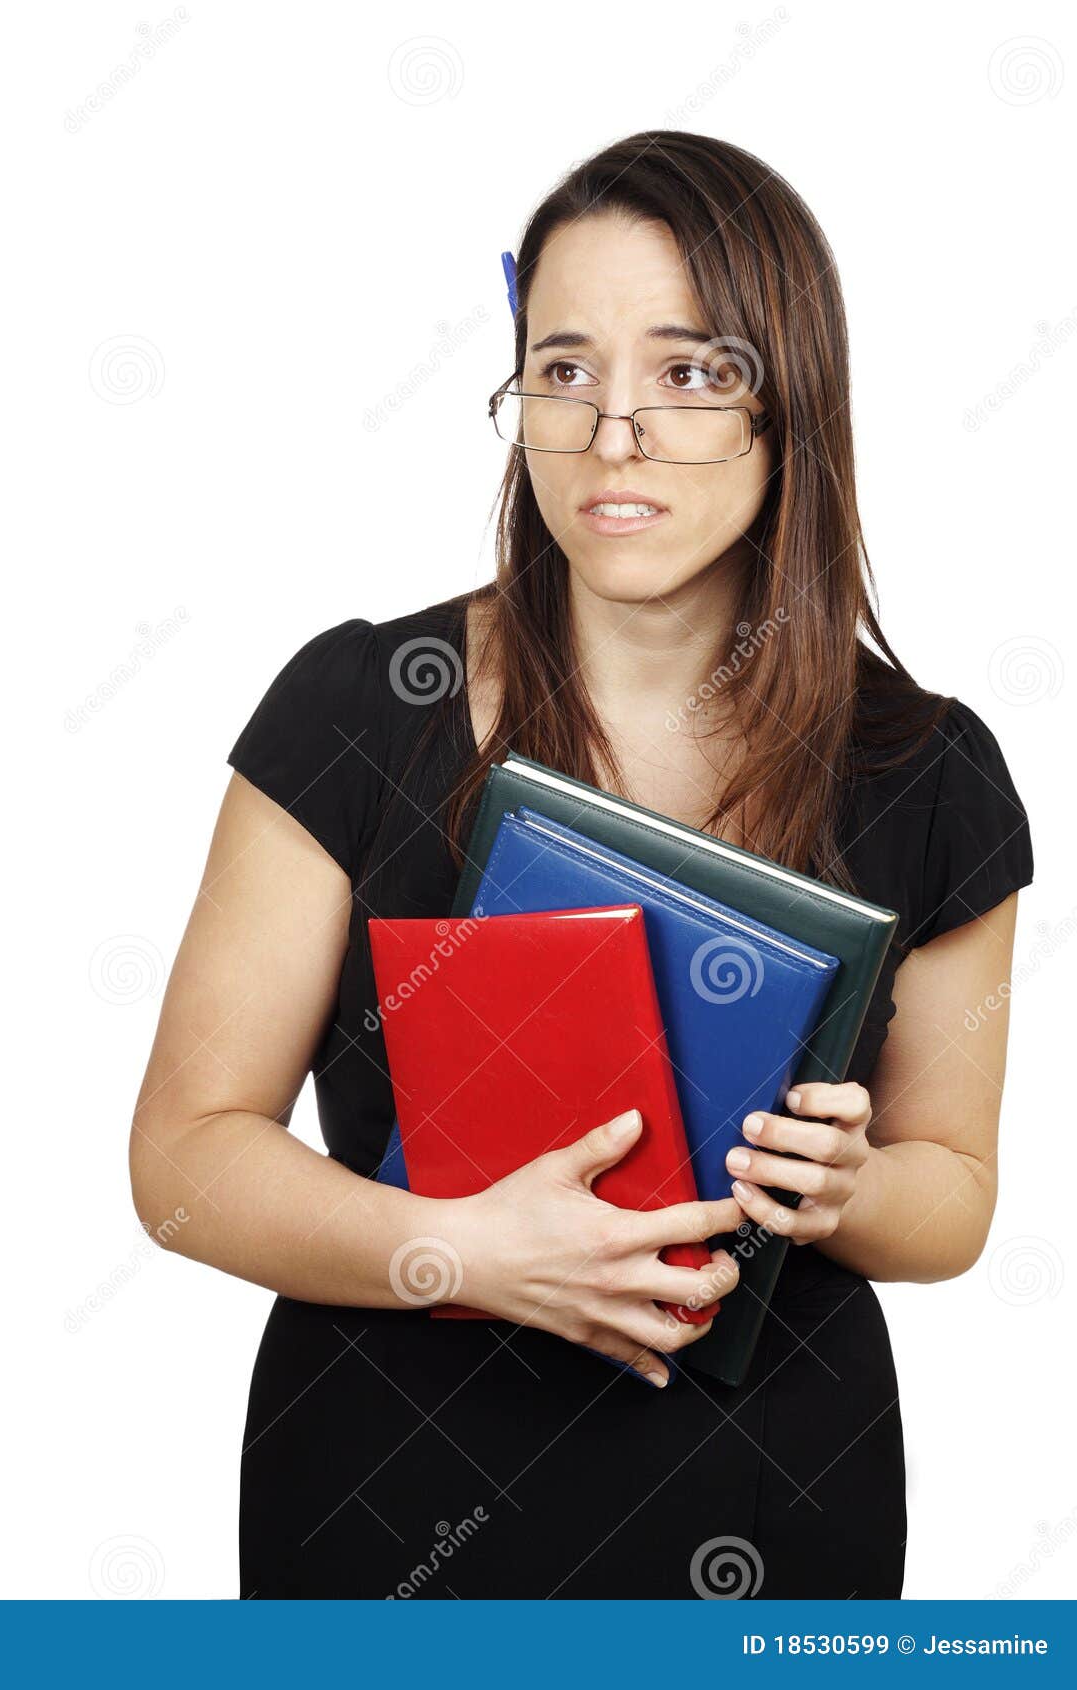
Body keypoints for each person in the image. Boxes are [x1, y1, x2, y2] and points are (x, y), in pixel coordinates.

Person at [128, 130, 1034, 1599]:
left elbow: (956, 1196)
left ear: (787, 398)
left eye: (688, 372)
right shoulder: (366, 708)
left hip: (772, 1516)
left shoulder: (927, 772)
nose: (614, 432)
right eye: (563, 370)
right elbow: (181, 1159)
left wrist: (848, 1185)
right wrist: (462, 1253)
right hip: (386, 1511)